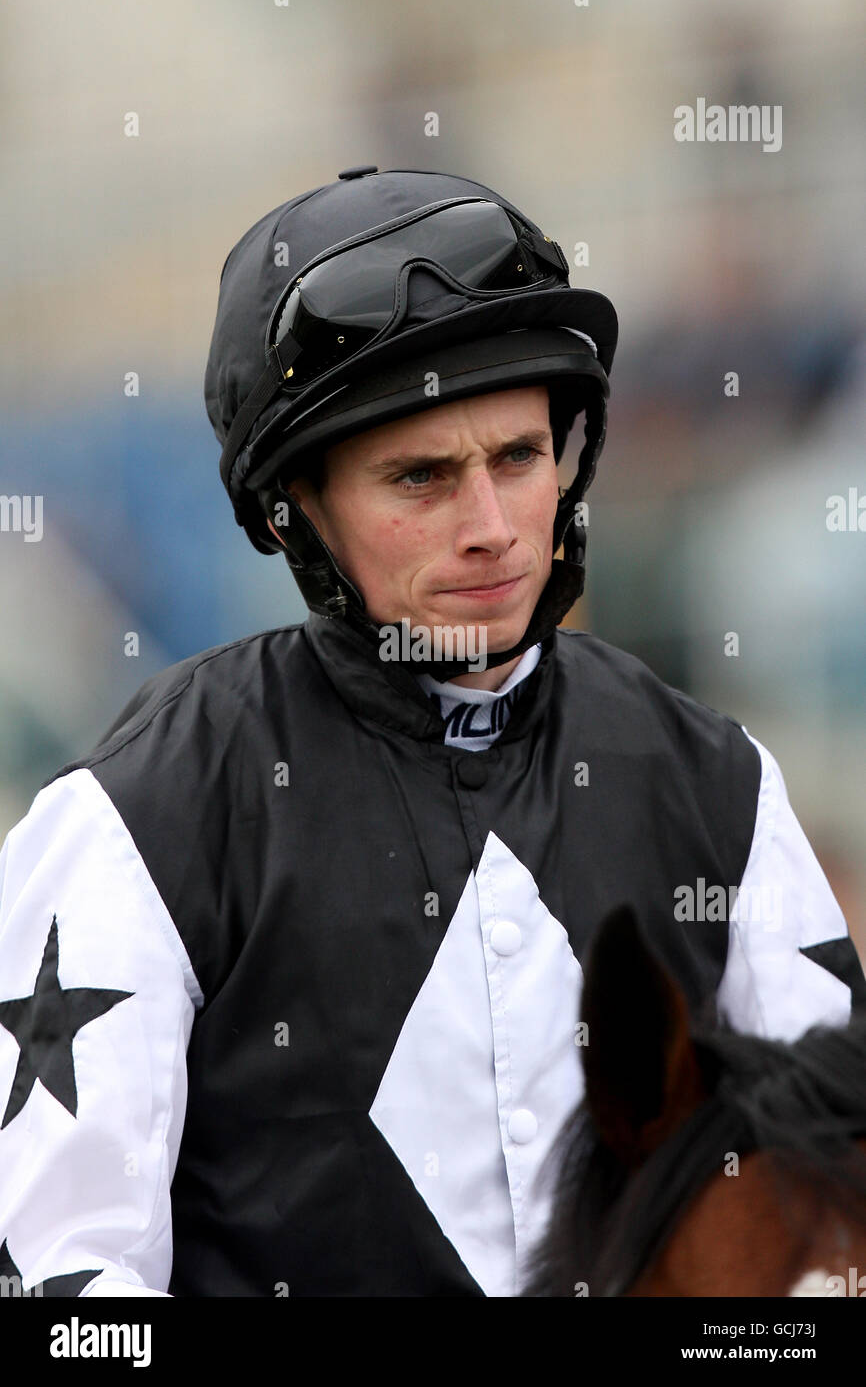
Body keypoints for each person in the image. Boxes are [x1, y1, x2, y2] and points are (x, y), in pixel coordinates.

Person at [0, 166, 863, 1299]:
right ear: (294, 510)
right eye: (421, 477)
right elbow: (70, 1295)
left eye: (519, 458)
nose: (493, 529)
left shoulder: (716, 782)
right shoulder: (136, 818)